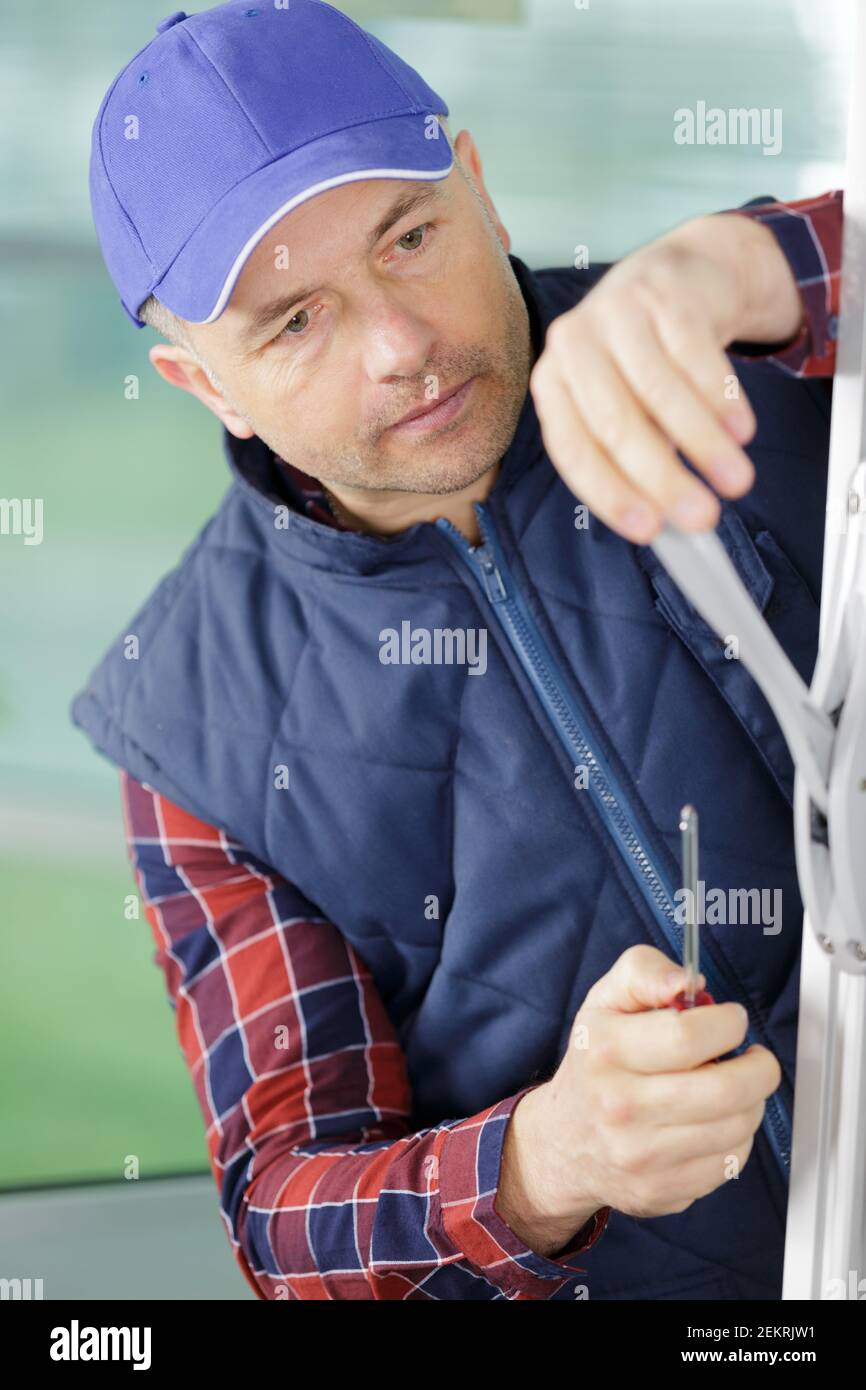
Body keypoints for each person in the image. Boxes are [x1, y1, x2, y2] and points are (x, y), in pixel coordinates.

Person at [73, 0, 840, 1299]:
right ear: (203, 381)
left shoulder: (736, 341)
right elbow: (284, 1208)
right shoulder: (190, 726)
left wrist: (765, 267)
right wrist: (545, 1160)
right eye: (292, 322)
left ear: (475, 183)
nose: (401, 346)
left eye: (411, 236)